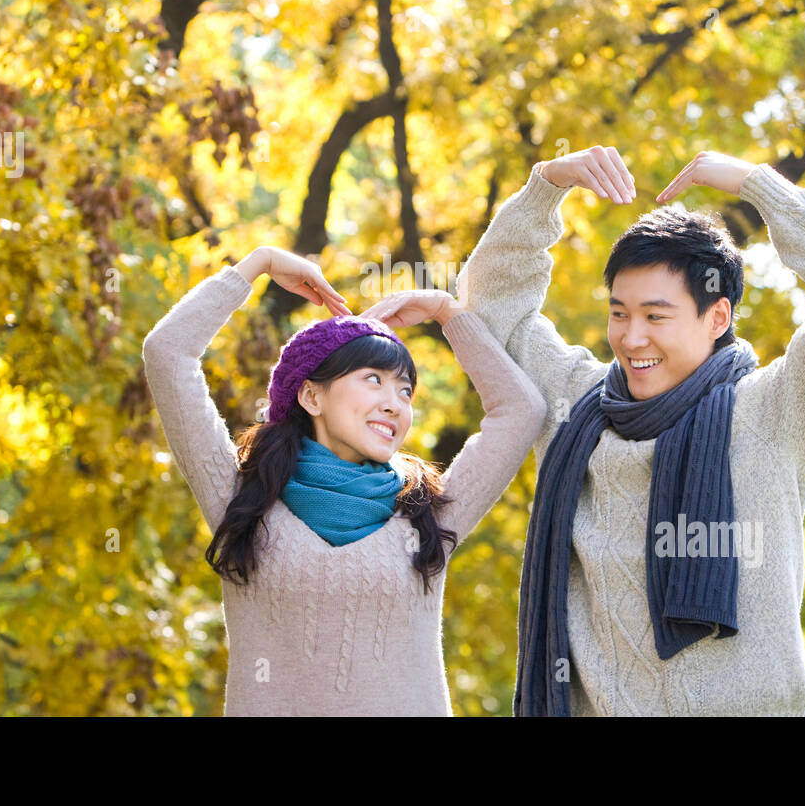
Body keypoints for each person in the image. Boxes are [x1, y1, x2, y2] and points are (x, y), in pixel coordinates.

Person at [454, 147, 805, 716]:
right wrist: (545, 186)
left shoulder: (771, 412)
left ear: (717, 318)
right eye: (619, 313)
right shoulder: (574, 403)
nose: (632, 337)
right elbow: (490, 306)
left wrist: (760, 185)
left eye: (656, 316)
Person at [141, 245, 546, 715]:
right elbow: (167, 352)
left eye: (405, 389)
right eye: (373, 379)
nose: (395, 403)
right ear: (311, 396)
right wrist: (259, 264)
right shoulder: (244, 500)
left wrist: (447, 312)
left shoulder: (427, 512)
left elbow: (521, 409)